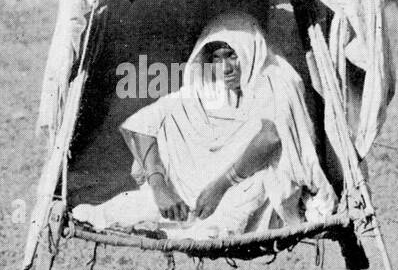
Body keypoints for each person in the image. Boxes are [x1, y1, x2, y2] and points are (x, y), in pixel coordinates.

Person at [72, 12, 335, 240]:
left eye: (232, 55)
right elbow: (142, 123)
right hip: (203, 188)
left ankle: (200, 231)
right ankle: (151, 222)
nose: (226, 68)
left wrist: (219, 187)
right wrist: (159, 185)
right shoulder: (212, 89)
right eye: (217, 59)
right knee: (132, 207)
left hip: (255, 186)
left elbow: (270, 139)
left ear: (249, 49)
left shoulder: (275, 79)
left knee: (240, 201)